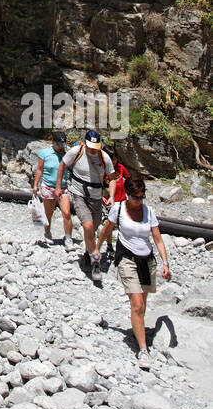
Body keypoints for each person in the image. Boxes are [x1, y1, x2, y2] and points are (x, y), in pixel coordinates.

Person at [94, 174, 171, 368]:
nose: (139, 201)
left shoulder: (149, 212)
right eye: (135, 197)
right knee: (136, 304)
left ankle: (137, 331)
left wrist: (165, 263)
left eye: (141, 197)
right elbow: (107, 229)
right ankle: (143, 350)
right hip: (127, 259)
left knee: (142, 304)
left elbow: (157, 238)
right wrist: (97, 247)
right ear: (128, 195)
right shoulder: (118, 209)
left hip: (147, 260)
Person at [55, 129, 116, 280]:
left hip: (96, 198)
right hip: (79, 195)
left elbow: (112, 177)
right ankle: (96, 263)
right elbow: (62, 166)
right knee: (88, 226)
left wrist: (112, 196)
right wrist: (58, 187)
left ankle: (88, 254)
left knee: (93, 230)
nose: (93, 150)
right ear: (85, 143)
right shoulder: (77, 151)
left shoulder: (104, 157)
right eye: (90, 146)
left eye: (95, 147)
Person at [32, 131, 73, 243]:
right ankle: (47, 232)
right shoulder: (44, 153)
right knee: (48, 213)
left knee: (67, 213)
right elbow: (40, 169)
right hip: (48, 186)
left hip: (63, 187)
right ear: (53, 142)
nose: (60, 147)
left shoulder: (67, 153)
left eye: (62, 145)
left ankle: (68, 238)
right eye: (58, 144)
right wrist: (35, 185)